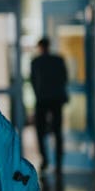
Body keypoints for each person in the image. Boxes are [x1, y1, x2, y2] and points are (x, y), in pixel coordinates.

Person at [30, 37, 69, 172]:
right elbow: (64, 78)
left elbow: (33, 81)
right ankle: (58, 163)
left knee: (40, 131)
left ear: (40, 47)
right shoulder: (58, 60)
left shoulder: (36, 62)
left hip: (42, 100)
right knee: (57, 131)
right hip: (56, 99)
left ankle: (45, 160)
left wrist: (38, 94)